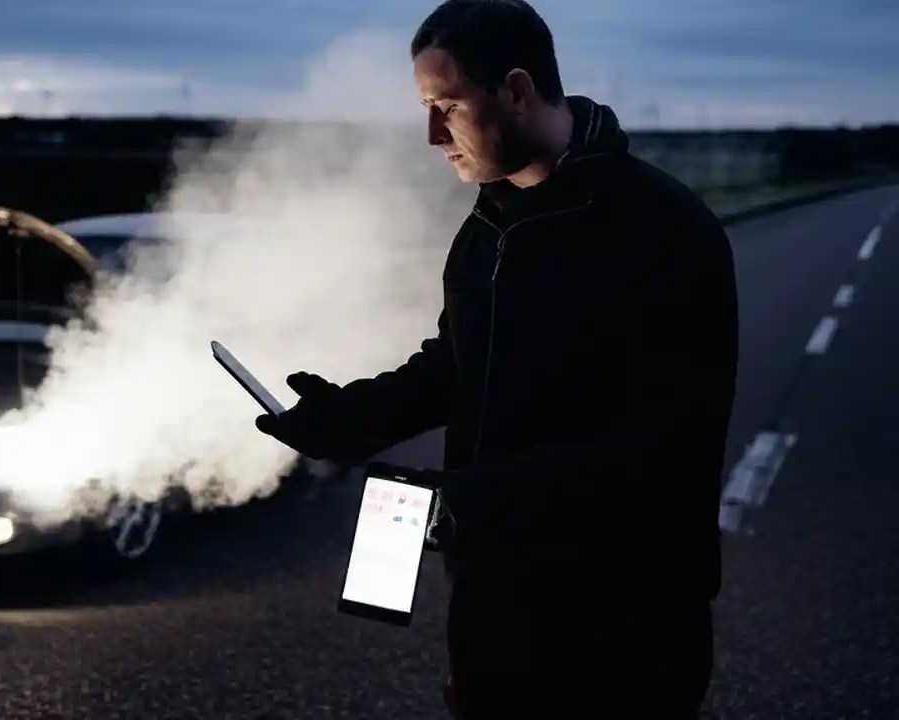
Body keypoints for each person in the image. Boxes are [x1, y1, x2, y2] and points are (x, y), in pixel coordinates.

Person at [254, 0, 739, 717]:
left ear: (516, 90)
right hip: (494, 611)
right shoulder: (489, 224)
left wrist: (464, 503)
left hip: (625, 623)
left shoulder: (664, 232)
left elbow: (659, 449)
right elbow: (458, 363)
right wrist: (347, 418)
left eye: (446, 107)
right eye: (425, 110)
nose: (431, 135)